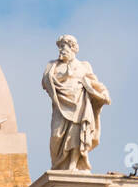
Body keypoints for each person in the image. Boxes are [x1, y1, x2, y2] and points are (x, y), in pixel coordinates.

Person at [42, 34, 110, 172]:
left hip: (79, 104)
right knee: (56, 136)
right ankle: (59, 165)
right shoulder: (53, 65)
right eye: (60, 47)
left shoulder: (84, 66)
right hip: (60, 105)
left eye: (63, 47)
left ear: (72, 48)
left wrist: (103, 93)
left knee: (76, 134)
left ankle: (73, 164)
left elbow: (94, 83)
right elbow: (45, 82)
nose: (61, 50)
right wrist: (64, 75)